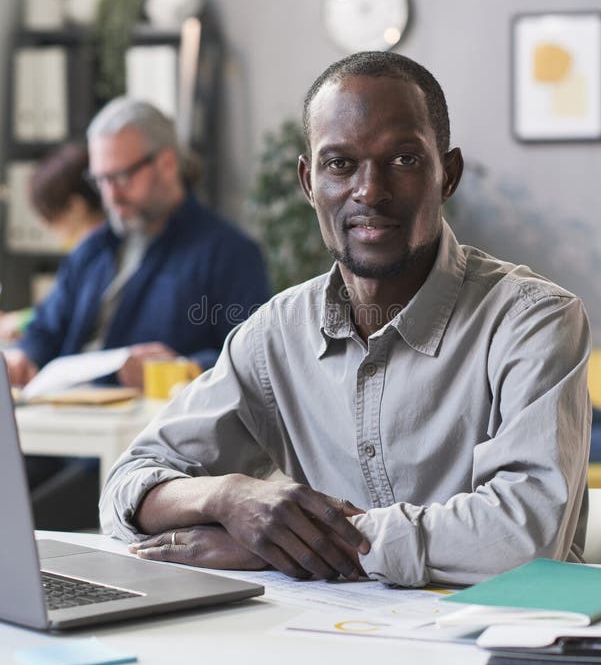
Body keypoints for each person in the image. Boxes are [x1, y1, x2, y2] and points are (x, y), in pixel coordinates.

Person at [100, 52, 591, 588]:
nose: (369, 190)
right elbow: (126, 485)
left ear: (446, 175)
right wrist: (229, 496)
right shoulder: (274, 336)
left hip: (502, 655)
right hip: (333, 647)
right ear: (309, 182)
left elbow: (524, 535)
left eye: (403, 159)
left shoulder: (533, 321)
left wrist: (285, 546)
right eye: (340, 163)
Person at [4, 98, 270, 390]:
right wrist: (24, 356)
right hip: (65, 415)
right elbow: (46, 327)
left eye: (121, 177)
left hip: (154, 424)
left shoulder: (229, 255)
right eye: (101, 180)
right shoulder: (92, 250)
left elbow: (253, 362)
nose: (111, 195)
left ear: (167, 164)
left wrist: (182, 369)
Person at [0, 142, 104, 341]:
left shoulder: (92, 255)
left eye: (50, 217)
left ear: (76, 207)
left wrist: (18, 323)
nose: (49, 228)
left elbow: (65, 317)